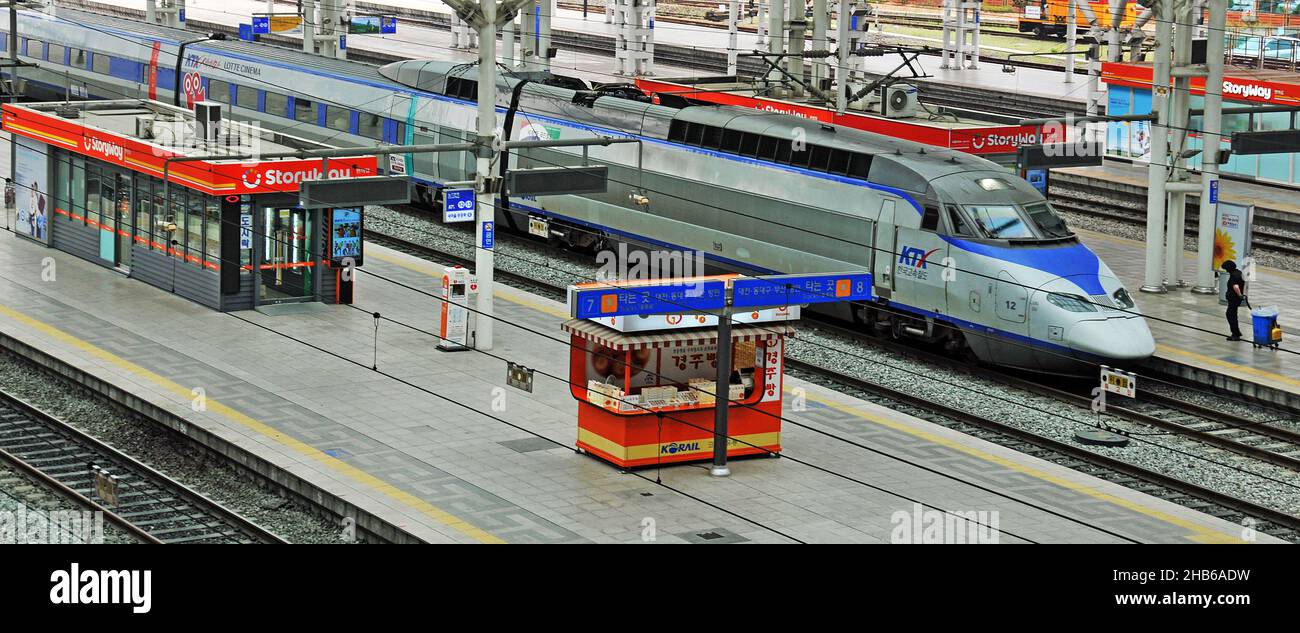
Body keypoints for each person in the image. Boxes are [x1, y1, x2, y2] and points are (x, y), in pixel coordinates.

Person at [1223, 260, 1247, 341]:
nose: (1225, 270)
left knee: (1231, 316)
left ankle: (1235, 334)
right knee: (1232, 315)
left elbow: (1236, 287)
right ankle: (1236, 332)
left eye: (1226, 269)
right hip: (1235, 299)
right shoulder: (1238, 272)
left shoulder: (1234, 276)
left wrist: (1240, 295)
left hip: (1234, 299)